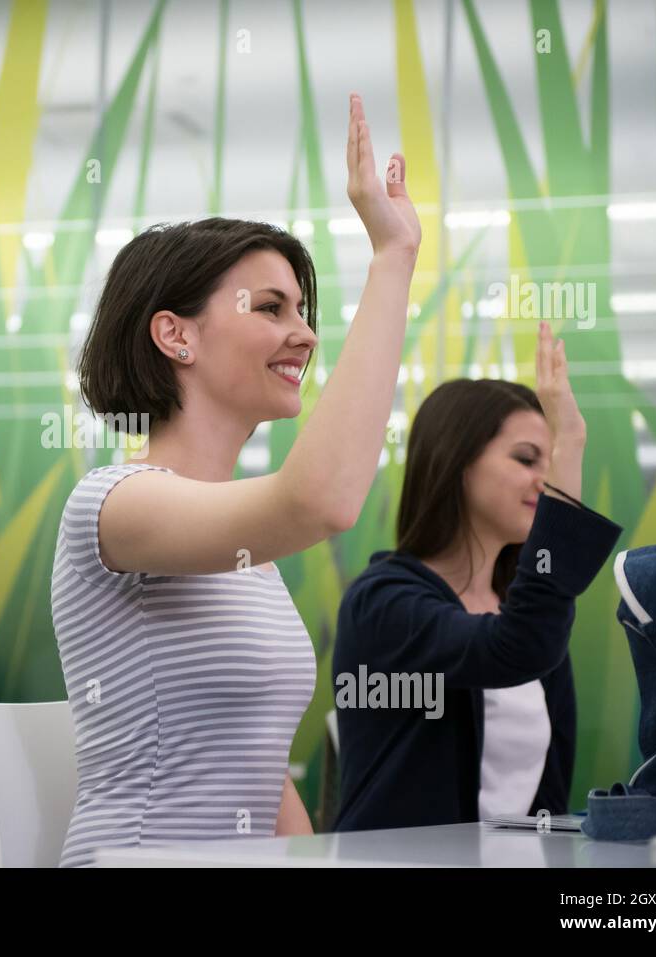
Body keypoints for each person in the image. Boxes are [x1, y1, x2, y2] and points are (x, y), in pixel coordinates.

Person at [52, 94, 422, 866]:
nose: (306, 332)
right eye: (272, 306)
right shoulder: (115, 505)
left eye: (305, 309)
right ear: (174, 334)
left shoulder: (246, 551)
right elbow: (322, 498)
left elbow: (259, 773)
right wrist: (393, 258)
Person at [332, 322, 623, 830]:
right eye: (527, 458)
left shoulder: (526, 606)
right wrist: (570, 442)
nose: (545, 478)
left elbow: (550, 798)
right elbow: (517, 646)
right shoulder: (382, 602)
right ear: (457, 464)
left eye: (551, 461)